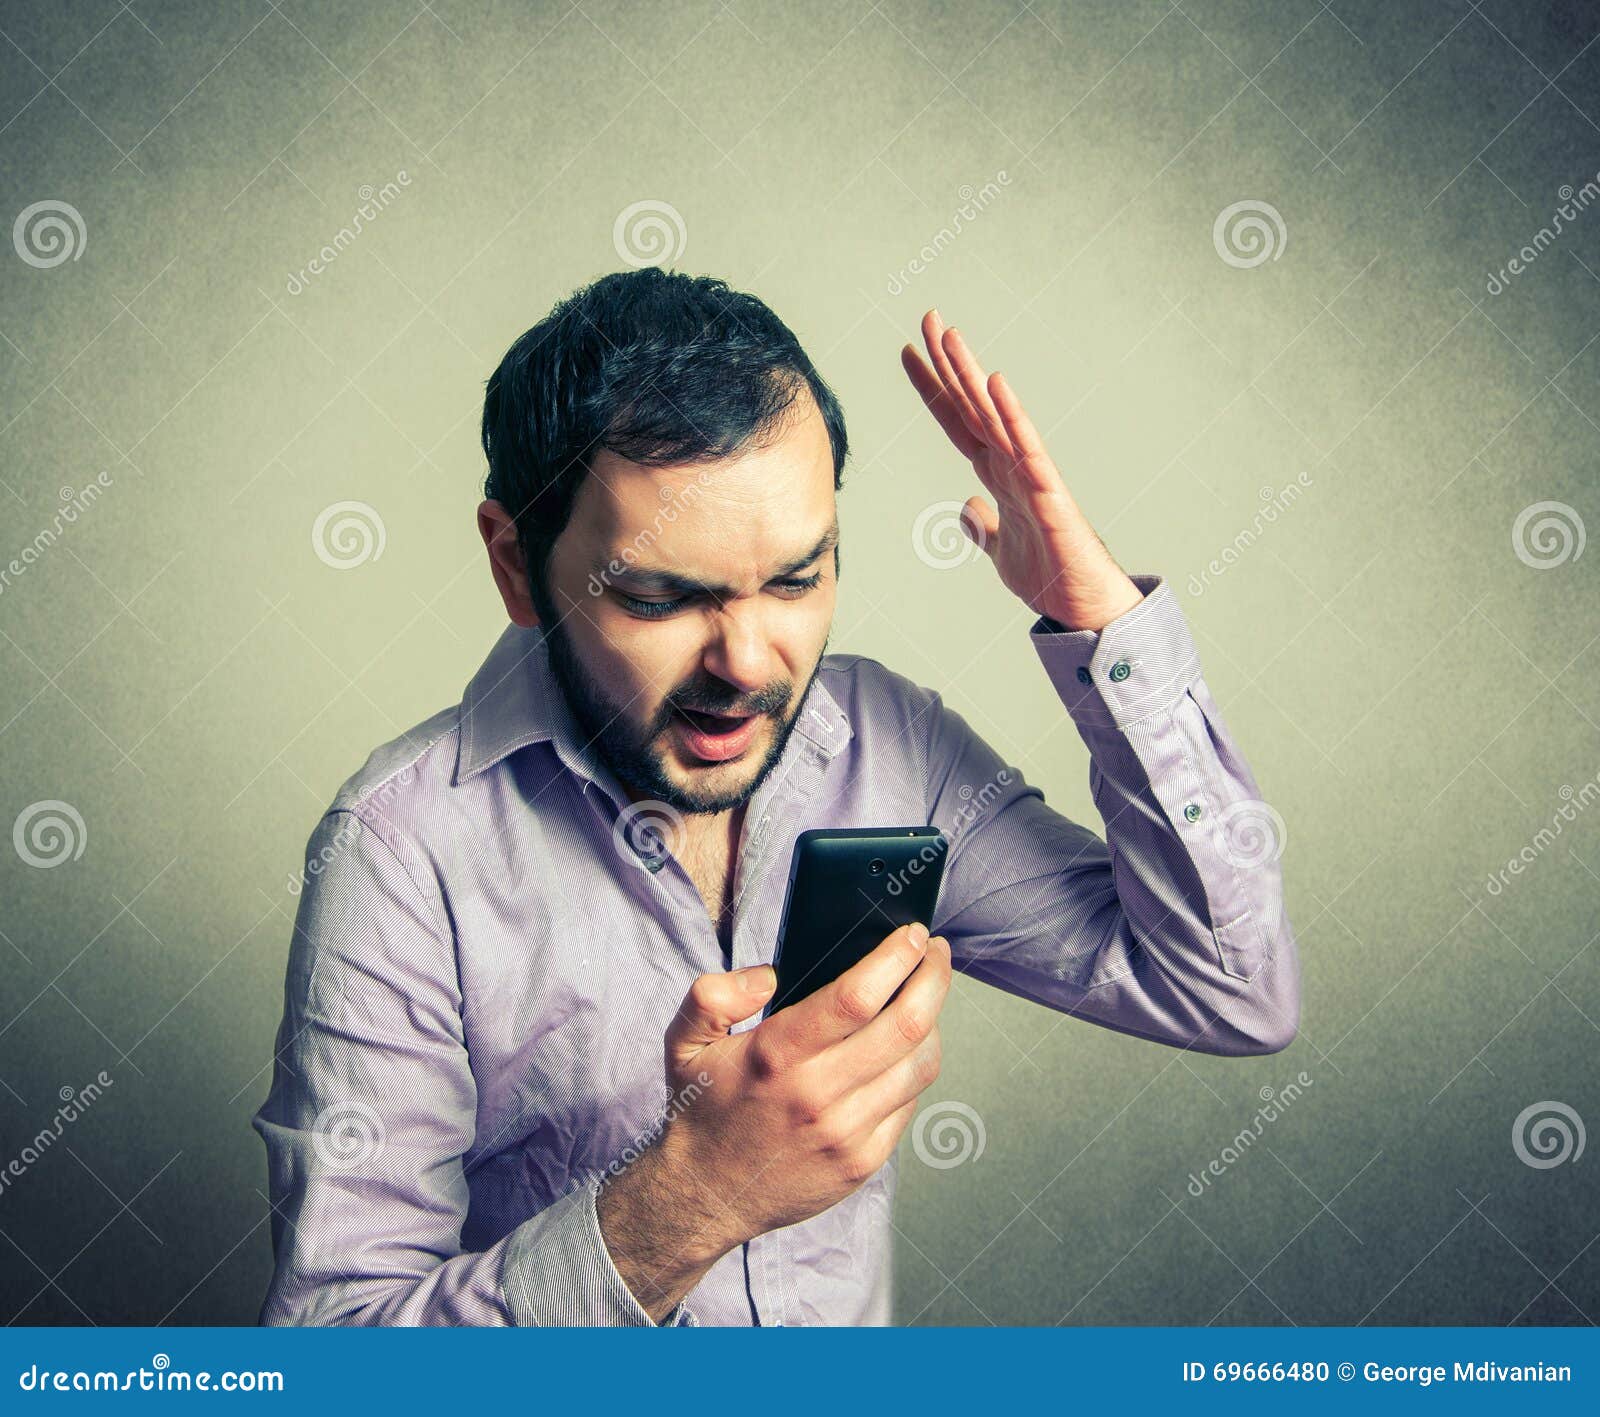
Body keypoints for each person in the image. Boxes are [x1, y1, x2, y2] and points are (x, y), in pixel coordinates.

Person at [252, 268, 1299, 1327]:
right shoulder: (400, 849)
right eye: (659, 597)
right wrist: (696, 1196)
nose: (748, 665)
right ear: (517, 564)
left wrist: (1100, 621)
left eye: (796, 580)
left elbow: (1227, 987)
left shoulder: (891, 747)